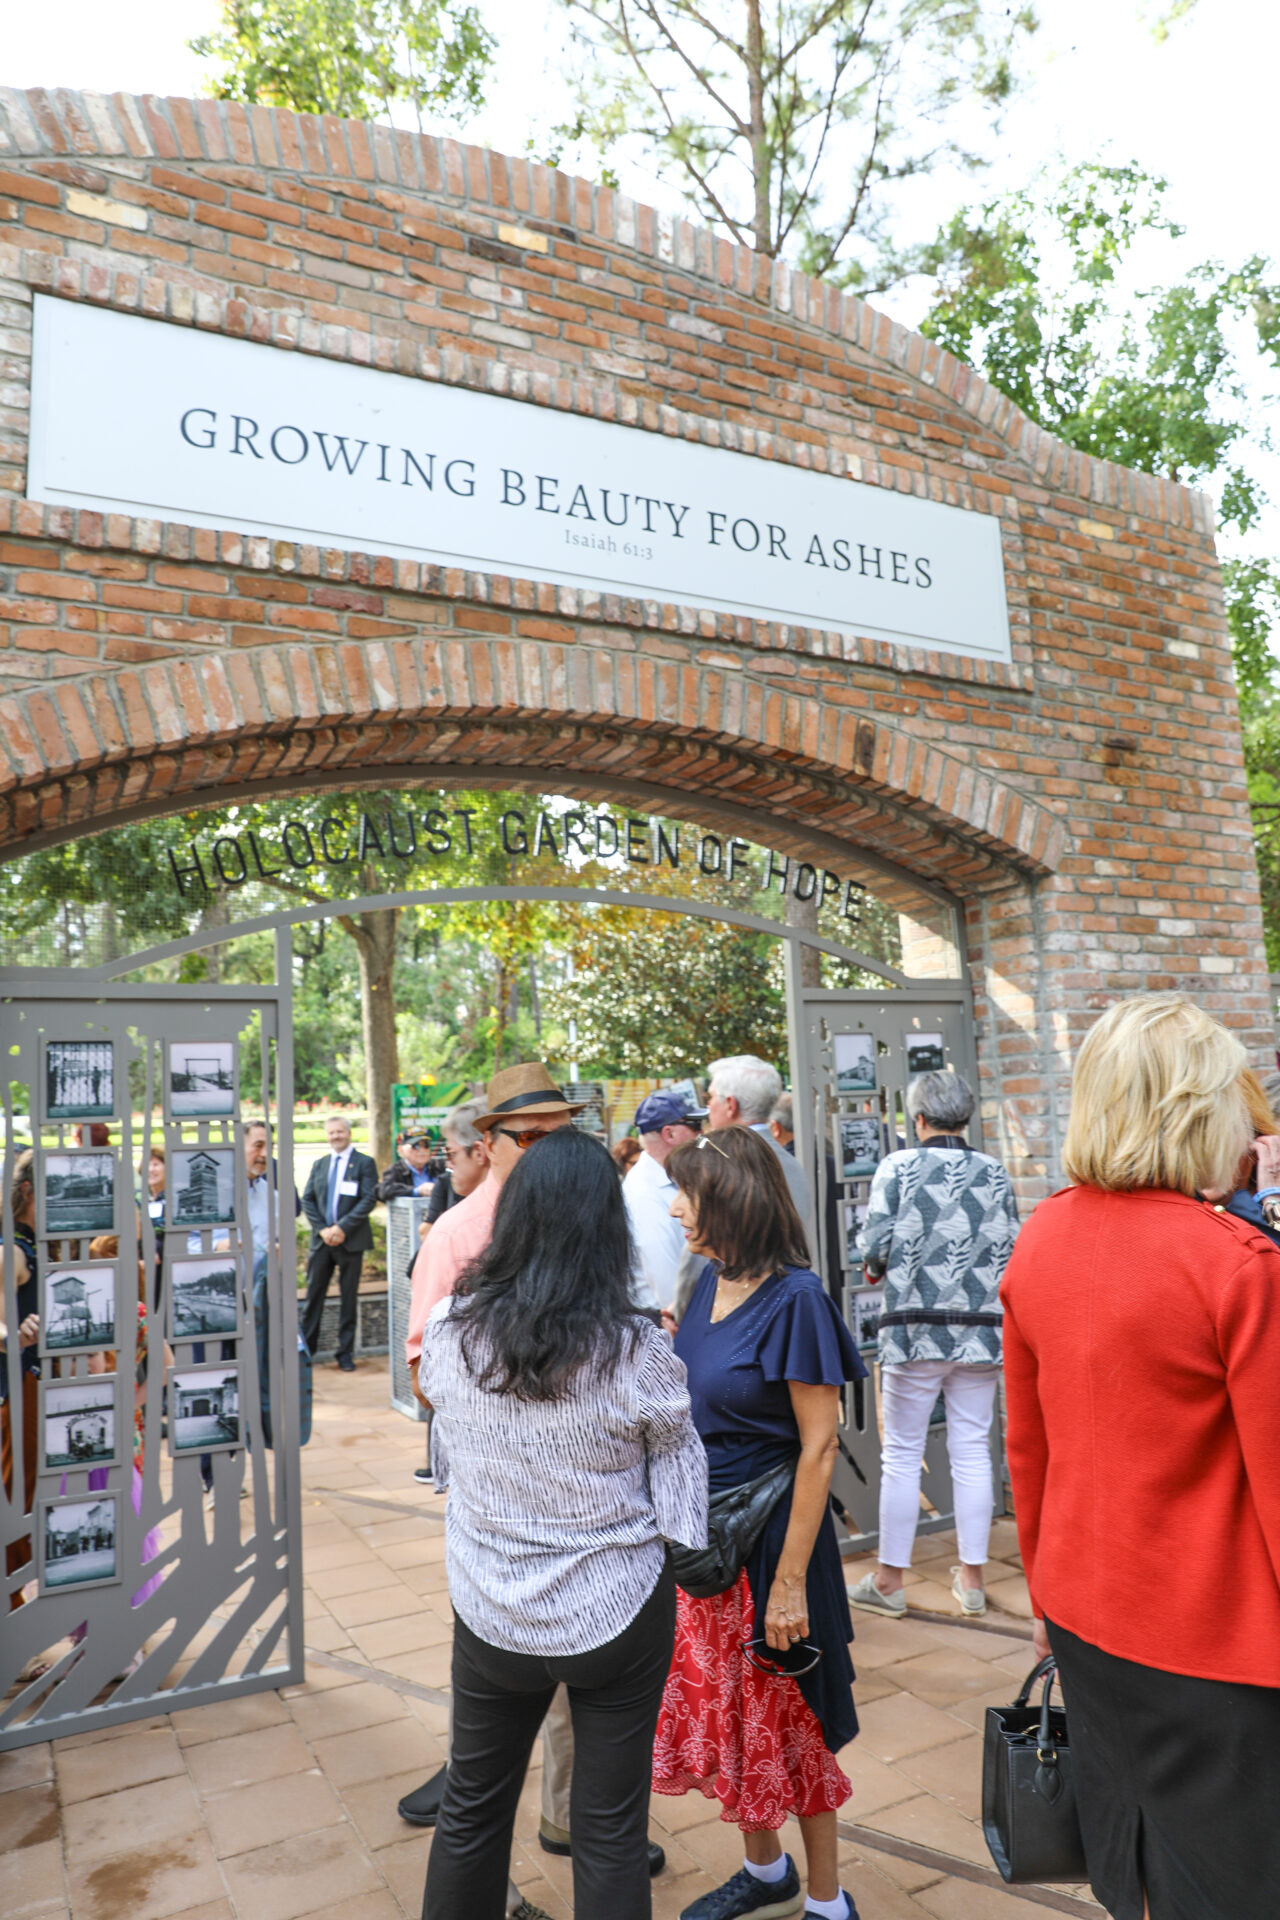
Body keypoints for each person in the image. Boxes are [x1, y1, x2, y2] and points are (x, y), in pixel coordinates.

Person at [1001, 993, 1280, 1920]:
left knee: (1132, 1862)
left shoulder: (1042, 1235)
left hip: (1085, 1613)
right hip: (1218, 1641)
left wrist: (1043, 1596)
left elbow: (1029, 1449)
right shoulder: (1234, 1264)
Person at [421, 1126, 707, 1920]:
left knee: (472, 1806)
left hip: (490, 1603)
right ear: (604, 1227)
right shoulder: (635, 1347)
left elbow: (444, 1454)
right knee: (609, 1830)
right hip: (616, 1609)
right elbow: (682, 1491)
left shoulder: (450, 1327)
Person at [655, 1125, 865, 1920]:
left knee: (792, 1718)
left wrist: (788, 1585)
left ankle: (828, 1901)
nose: (675, 1208)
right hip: (712, 1544)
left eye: (687, 1193)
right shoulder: (705, 1282)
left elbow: (819, 1448)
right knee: (735, 1715)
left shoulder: (797, 1299)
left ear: (731, 1200)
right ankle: (765, 1869)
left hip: (776, 1544)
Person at [848, 1070, 1019, 1621]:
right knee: (972, 1449)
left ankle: (889, 1582)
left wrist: (877, 1264)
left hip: (914, 1329)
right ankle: (972, 1580)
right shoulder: (994, 1171)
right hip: (981, 1330)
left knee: (902, 1454)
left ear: (917, 1118)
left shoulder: (897, 1166)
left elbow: (874, 1247)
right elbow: (1011, 1246)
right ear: (963, 1116)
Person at [300, 1115, 378, 1372]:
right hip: (322, 1242)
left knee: (348, 1300)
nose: (336, 1136)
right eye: (331, 1132)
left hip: (350, 1241)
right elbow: (308, 1199)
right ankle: (306, 1351)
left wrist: (342, 1227)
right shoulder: (320, 1164)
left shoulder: (364, 1163)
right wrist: (324, 1230)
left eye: (340, 1132)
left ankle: (345, 1353)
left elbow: (368, 1199)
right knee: (313, 1297)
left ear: (349, 1133)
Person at [706, 1056, 813, 1241]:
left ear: (731, 1105)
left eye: (711, 1097)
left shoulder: (722, 1161)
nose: (708, 1106)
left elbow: (705, 1241)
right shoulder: (790, 1162)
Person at [623, 1091, 708, 1313]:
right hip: (669, 1321)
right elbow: (669, 1288)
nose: (701, 1133)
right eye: (694, 1125)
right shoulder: (644, 1194)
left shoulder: (669, 1178)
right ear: (669, 1134)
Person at [1, 1149, 39, 1609]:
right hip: (22, 1388)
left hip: (40, 1386)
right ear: (28, 1191)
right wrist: (15, 1335)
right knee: (20, 1493)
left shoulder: (37, 1242)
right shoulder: (13, 1248)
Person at [377, 1132, 436, 1202]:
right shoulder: (395, 1170)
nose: (422, 1150)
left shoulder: (438, 1166)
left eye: (426, 1145)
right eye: (415, 1146)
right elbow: (384, 1190)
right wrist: (417, 1191)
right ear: (400, 1150)